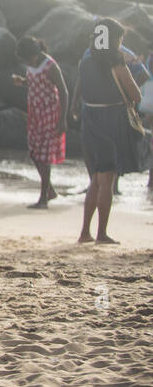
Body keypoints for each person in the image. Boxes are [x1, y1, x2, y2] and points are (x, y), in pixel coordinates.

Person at [70, 17, 145, 244]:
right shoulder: (116, 64)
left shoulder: (85, 62)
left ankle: (85, 232)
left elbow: (82, 89)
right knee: (107, 179)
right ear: (114, 40)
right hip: (111, 122)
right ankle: (101, 233)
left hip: (89, 119)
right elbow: (136, 95)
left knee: (96, 177)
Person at [12, 36, 68, 209]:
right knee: (34, 152)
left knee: (44, 157)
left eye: (26, 59)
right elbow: (35, 82)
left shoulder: (51, 67)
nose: (26, 62)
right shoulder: (32, 64)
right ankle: (49, 190)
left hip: (49, 113)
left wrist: (62, 119)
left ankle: (43, 198)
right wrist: (23, 82)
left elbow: (64, 92)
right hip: (35, 114)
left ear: (34, 55)